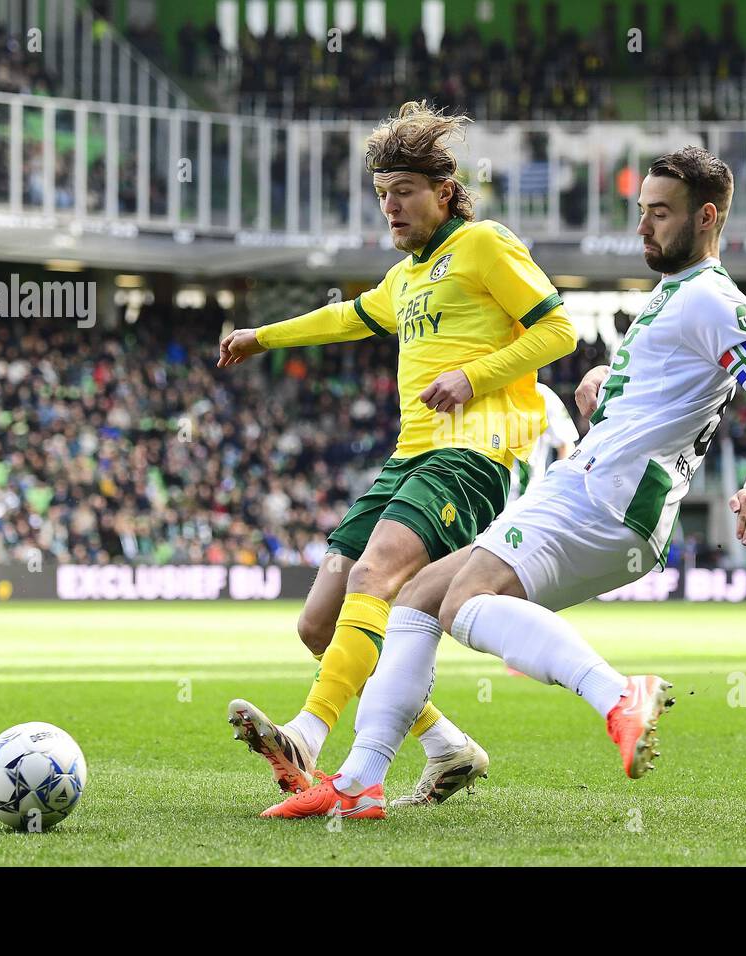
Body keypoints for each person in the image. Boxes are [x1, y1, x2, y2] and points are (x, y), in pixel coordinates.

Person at [258, 144, 746, 820]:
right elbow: (676, 395)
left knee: (462, 603)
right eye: (641, 211)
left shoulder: (714, 299)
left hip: (602, 495)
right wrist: (608, 385)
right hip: (610, 496)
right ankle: (359, 783)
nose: (643, 226)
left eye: (660, 214)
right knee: (418, 600)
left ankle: (616, 696)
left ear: (707, 218)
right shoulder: (673, 296)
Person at [217, 101, 578, 812]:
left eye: (403, 192)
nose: (390, 207)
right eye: (382, 194)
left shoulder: (483, 245)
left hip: (472, 454)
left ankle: (307, 739)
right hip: (407, 459)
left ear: (444, 191)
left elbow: (559, 329)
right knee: (319, 623)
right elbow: (347, 318)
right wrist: (263, 335)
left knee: (377, 574)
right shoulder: (405, 278)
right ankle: (447, 747)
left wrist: (473, 376)